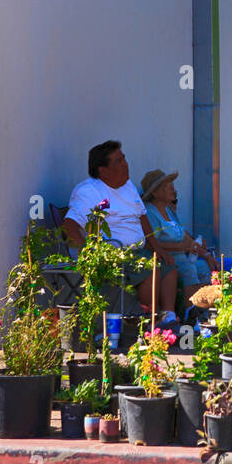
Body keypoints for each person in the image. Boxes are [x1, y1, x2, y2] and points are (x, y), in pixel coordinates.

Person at [62, 140, 181, 326]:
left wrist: (159, 249)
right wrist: (88, 251)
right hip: (113, 254)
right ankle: (149, 322)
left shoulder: (128, 187)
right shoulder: (89, 191)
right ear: (103, 170)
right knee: (150, 269)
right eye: (119, 161)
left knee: (169, 268)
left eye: (124, 158)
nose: (125, 163)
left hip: (136, 251)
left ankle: (169, 318)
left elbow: (142, 218)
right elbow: (69, 225)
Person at [140, 169, 218, 320]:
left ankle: (202, 311)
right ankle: (189, 314)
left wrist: (206, 254)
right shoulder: (150, 212)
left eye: (172, 185)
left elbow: (184, 236)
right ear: (155, 193)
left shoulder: (169, 210)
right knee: (188, 269)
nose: (173, 189)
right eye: (167, 186)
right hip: (165, 258)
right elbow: (151, 242)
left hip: (183, 255)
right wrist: (180, 247)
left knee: (204, 267)